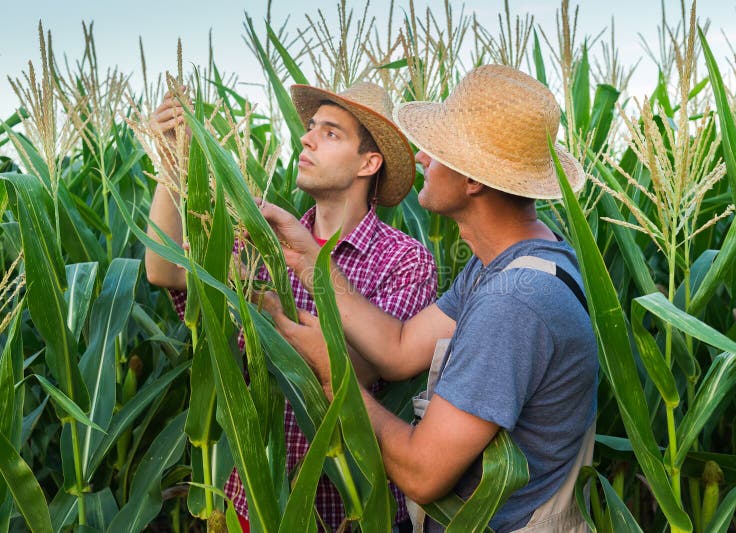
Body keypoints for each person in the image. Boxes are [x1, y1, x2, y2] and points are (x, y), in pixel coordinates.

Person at [256, 64, 599, 532]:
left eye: (437, 150)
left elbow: (423, 472)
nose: (419, 157)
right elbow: (399, 347)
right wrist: (310, 262)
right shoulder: (506, 264)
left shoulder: (516, 302)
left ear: (473, 180)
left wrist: (332, 374)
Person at [145, 82, 438, 532]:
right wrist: (172, 162)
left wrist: (272, 315)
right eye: (310, 127)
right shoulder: (261, 241)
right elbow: (165, 272)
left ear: (369, 163)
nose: (307, 138)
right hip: (257, 501)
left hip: (356, 510)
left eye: (331, 132)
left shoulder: (404, 259)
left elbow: (360, 371)